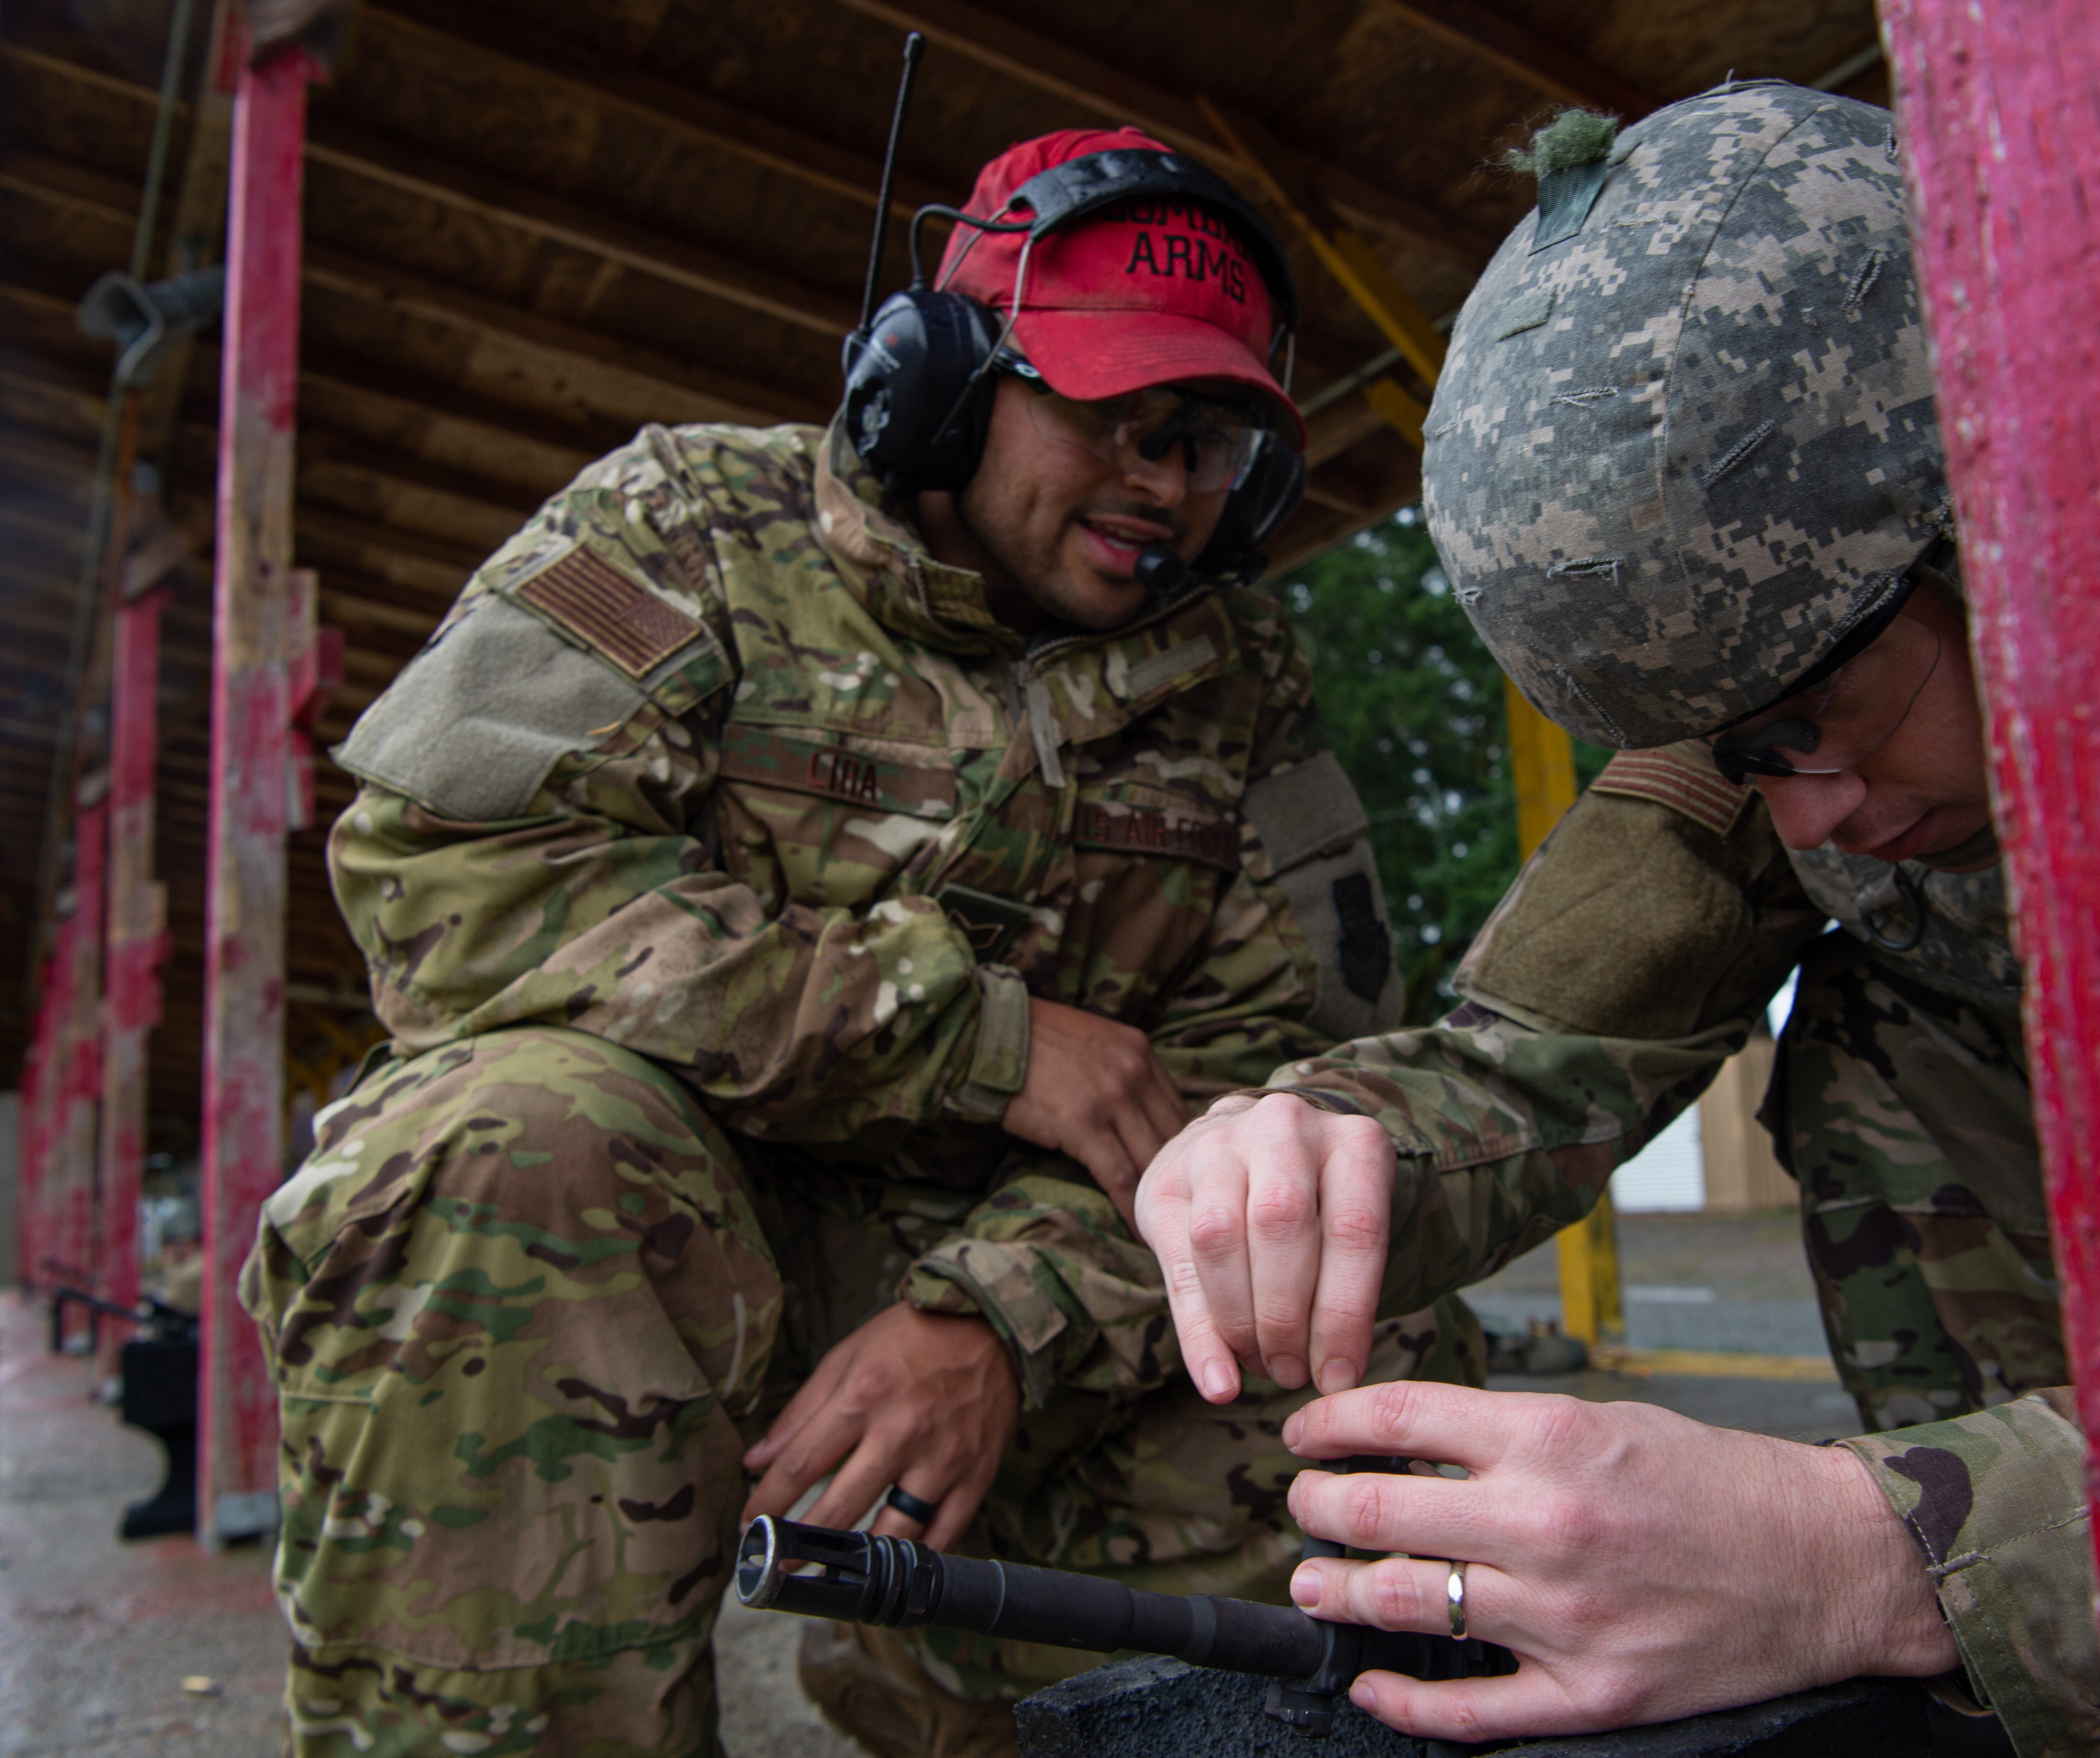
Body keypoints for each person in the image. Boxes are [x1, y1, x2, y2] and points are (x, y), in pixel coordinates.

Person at [244, 126, 1483, 1758]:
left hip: (1024, 1295)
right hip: (661, 1254)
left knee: (1361, 1334)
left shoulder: (1232, 667)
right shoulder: (683, 526)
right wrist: (973, 1039)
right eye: (1116, 412)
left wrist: (995, 1318)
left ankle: (955, 1701)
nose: (1166, 482)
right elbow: (452, 873)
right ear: (945, 382)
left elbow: (1277, 1068)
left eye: (1205, 440)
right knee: (498, 1150)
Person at [1130, 83, 2100, 1756]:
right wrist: (1309, 1144)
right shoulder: (1800, 724)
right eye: (1740, 749)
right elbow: (1527, 1066)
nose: (1800, 809)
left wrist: (1874, 1550)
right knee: (1885, 1013)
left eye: (1819, 710)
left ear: (2007, 507)